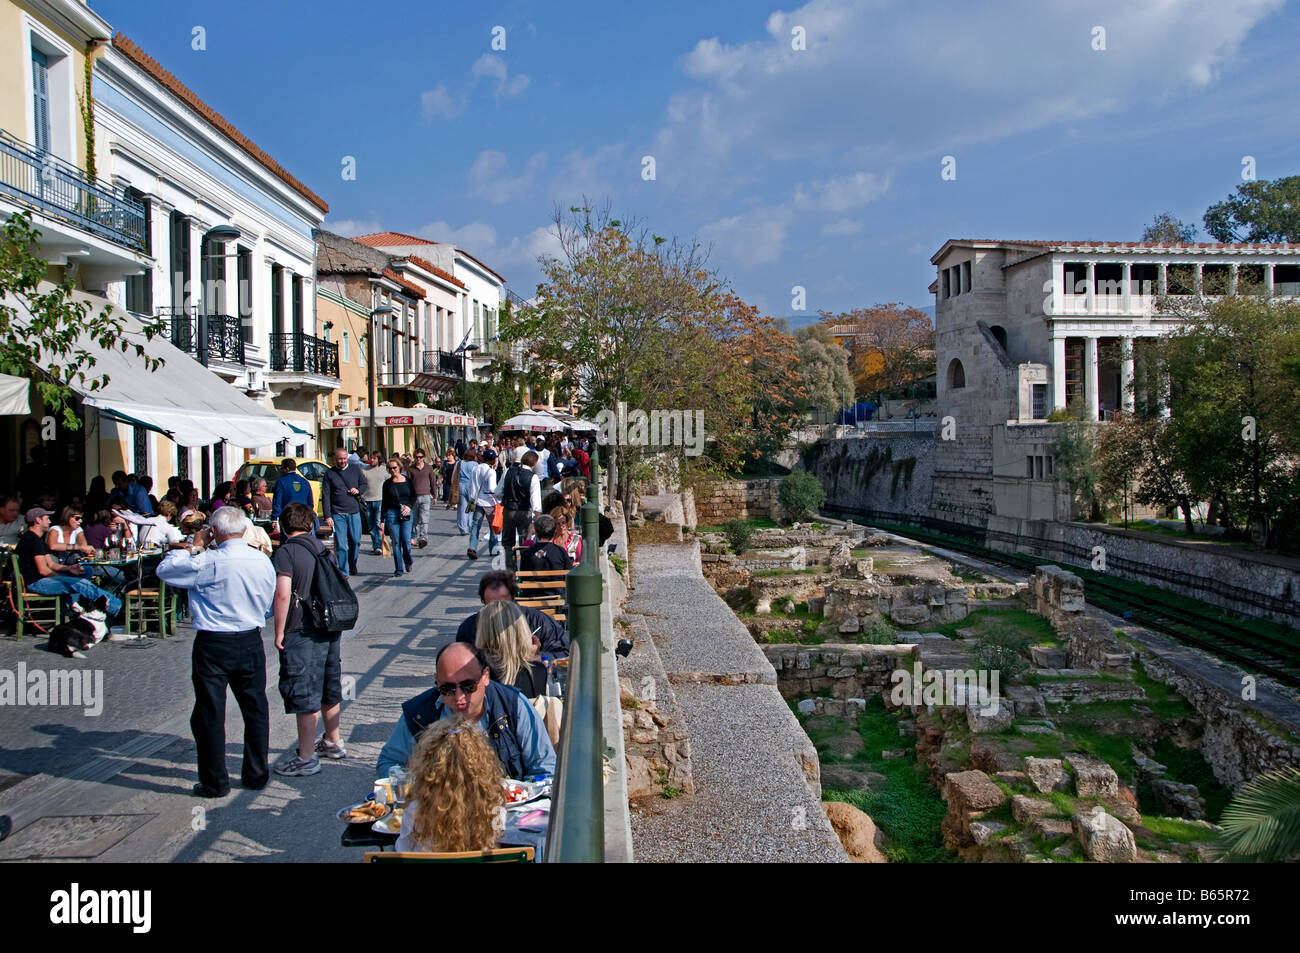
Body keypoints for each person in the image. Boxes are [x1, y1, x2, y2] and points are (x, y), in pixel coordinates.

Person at [156, 506, 277, 798]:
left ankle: (215, 781)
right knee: (255, 709)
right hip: (249, 638)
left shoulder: (207, 561)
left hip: (213, 641)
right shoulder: (261, 561)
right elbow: (269, 602)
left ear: (215, 532)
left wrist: (192, 545)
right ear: (244, 529)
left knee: (210, 712)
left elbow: (166, 570)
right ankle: (256, 774)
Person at [376, 642, 555, 779]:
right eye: (448, 688)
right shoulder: (419, 713)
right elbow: (389, 762)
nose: (459, 696)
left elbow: (545, 765)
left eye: (468, 686)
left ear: (485, 677)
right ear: (437, 681)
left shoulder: (512, 704)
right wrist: (410, 784)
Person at [270, 502, 345, 777]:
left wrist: (279, 631)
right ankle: (333, 740)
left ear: (283, 525)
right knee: (329, 682)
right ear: (310, 523)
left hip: (302, 628)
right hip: (329, 626)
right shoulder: (322, 548)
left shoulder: (286, 552)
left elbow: (282, 594)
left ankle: (305, 757)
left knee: (304, 689)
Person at [393, 719, 506, 854]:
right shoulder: (494, 803)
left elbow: (403, 851)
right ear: (483, 765)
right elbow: (497, 838)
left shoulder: (416, 808)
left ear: (427, 766)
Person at [17, 507, 124, 619]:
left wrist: (69, 569)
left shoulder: (37, 539)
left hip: (39, 579)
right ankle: (117, 607)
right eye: (47, 518)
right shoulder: (32, 540)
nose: (49, 521)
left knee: (82, 574)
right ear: (38, 520)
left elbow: (51, 565)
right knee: (79, 583)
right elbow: (43, 570)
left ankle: (76, 607)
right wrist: (63, 579)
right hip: (35, 583)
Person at [454, 570, 568, 656]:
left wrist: (538, 656)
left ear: (513, 598)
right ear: (483, 602)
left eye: (503, 603)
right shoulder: (470, 628)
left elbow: (561, 652)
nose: (497, 609)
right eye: (491, 604)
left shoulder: (538, 621)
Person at [476, 600, 547, 698]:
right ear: (522, 629)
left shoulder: (478, 669)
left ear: (484, 631)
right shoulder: (539, 671)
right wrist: (530, 657)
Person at [321, 447, 364, 577]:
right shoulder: (329, 474)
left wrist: (358, 490)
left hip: (354, 512)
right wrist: (327, 516)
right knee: (340, 543)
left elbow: (364, 484)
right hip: (338, 513)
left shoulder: (355, 470)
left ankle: (352, 563)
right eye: (340, 459)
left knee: (355, 541)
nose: (342, 461)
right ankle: (343, 571)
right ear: (335, 458)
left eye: (344, 459)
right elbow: (326, 496)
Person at [497, 450, 541, 573]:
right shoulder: (533, 477)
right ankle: (524, 570)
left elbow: (498, 492)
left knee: (507, 542)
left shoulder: (508, 472)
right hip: (524, 511)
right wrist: (537, 517)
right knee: (525, 542)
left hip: (508, 509)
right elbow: (536, 502)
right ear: (534, 464)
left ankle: (511, 571)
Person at [381, 457, 414, 577]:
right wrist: (381, 520)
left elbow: (413, 496)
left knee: (406, 541)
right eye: (390, 469)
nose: (392, 470)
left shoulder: (408, 481)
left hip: (406, 512)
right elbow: (384, 502)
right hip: (392, 513)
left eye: (394, 468)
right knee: (395, 542)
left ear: (399, 467)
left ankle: (408, 560)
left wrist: (409, 507)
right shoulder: (387, 484)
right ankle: (398, 568)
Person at [466, 448, 499, 561]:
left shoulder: (475, 468)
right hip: (489, 502)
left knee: (475, 525)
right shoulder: (491, 472)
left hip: (477, 501)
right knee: (493, 527)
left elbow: (470, 484)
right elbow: (491, 488)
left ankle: (472, 547)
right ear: (493, 460)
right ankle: (493, 549)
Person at [406, 449, 436, 549]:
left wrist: (435, 495)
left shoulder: (429, 468)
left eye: (420, 457)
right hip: (414, 497)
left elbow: (433, 482)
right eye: (416, 457)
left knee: (424, 518)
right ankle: (419, 538)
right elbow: (408, 484)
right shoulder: (411, 469)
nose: (418, 459)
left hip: (426, 496)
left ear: (424, 457)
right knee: (416, 520)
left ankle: (424, 537)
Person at [362, 450, 387, 555]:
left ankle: (381, 545)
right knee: (371, 525)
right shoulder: (364, 470)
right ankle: (375, 545)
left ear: (378, 459)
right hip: (367, 500)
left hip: (379, 499)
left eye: (374, 458)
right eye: (370, 458)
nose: (371, 460)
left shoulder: (384, 470)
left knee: (378, 523)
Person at [455, 447, 476, 535]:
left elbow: (454, 475)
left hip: (461, 486)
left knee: (462, 508)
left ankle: (463, 529)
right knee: (471, 508)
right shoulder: (475, 464)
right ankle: (471, 526)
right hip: (472, 486)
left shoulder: (459, 463)